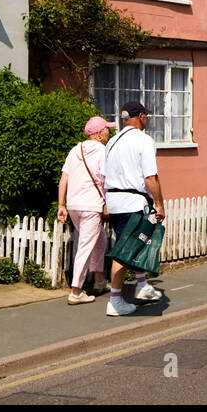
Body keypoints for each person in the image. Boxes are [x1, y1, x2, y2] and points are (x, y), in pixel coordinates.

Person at [101, 101, 166, 316]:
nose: (147, 120)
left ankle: (141, 285)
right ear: (140, 117)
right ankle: (115, 301)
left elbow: (103, 176)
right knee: (124, 250)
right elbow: (150, 177)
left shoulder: (112, 142)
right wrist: (159, 204)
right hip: (132, 201)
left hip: (114, 199)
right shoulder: (144, 140)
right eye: (146, 116)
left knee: (136, 243)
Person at [56, 116, 113, 305]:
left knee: (100, 240)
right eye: (106, 129)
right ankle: (76, 291)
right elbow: (106, 180)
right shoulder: (103, 152)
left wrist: (61, 205)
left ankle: (99, 281)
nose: (109, 133)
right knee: (85, 246)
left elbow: (64, 179)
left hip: (74, 205)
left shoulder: (75, 150)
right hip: (91, 205)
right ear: (98, 134)